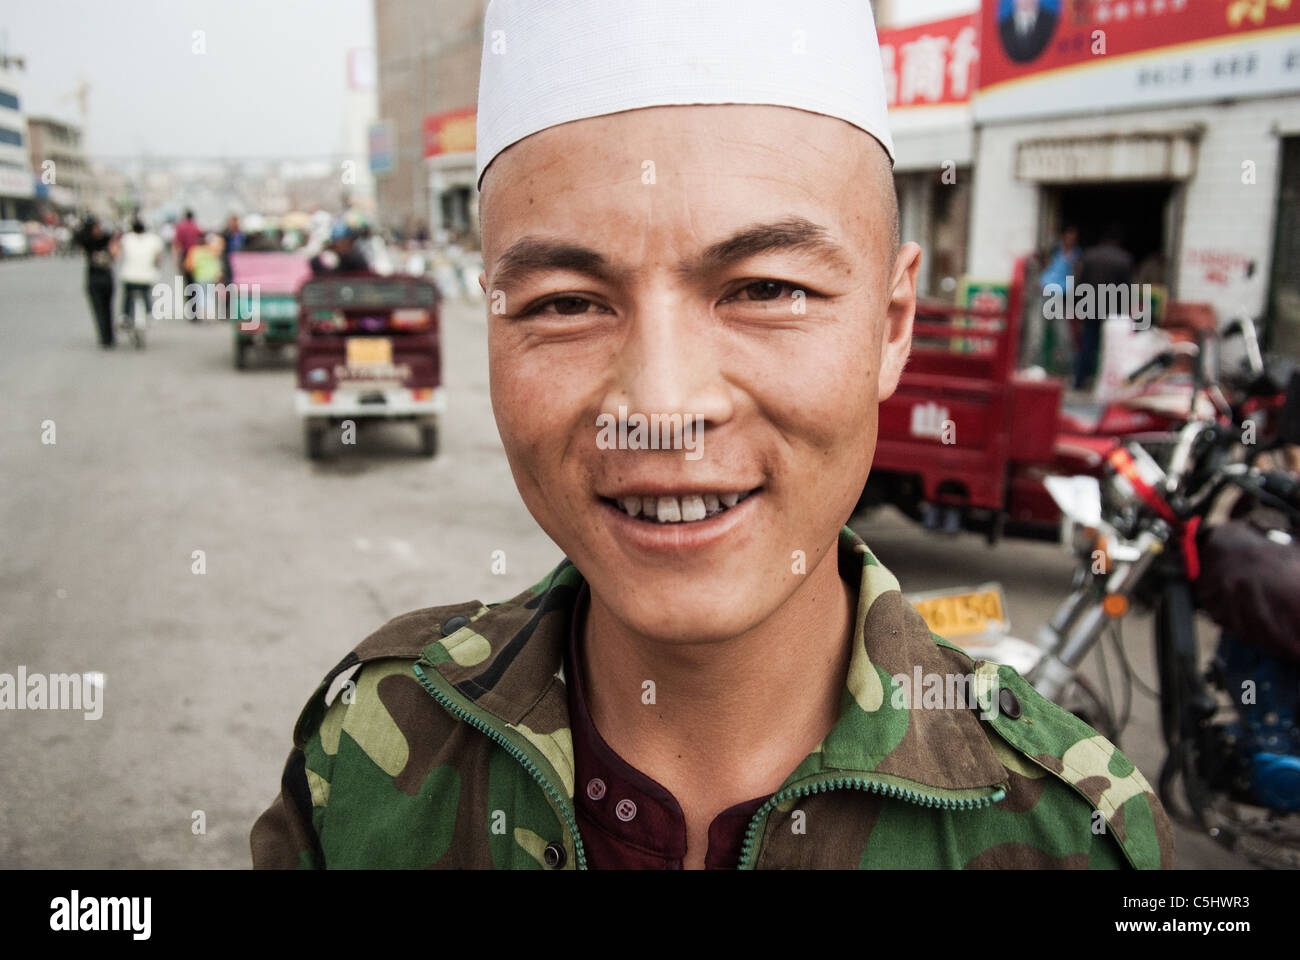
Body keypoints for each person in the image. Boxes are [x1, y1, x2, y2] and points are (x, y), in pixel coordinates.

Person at [252, 0, 1171, 871]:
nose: (661, 403)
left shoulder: (1077, 831)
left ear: (892, 326)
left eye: (767, 290)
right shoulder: (370, 758)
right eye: (566, 304)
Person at [1073, 223, 1135, 390]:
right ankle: (1103, 384)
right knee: (1109, 347)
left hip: (1090, 305)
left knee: (1087, 345)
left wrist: (1077, 306)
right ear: (1118, 240)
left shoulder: (1089, 255)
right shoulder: (1124, 258)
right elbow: (1127, 288)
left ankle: (1079, 382)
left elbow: (1080, 283)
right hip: (1113, 309)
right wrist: (1128, 309)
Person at [1037, 224, 1079, 373]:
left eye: (1073, 238)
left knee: (1063, 335)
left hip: (1062, 296)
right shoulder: (1053, 250)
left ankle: (1065, 369)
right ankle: (1038, 366)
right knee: (1038, 332)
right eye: (1068, 237)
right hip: (1045, 291)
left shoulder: (1076, 255)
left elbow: (1076, 276)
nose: (1070, 240)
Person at [75, 215, 119, 348]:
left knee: (104, 308)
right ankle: (106, 337)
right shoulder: (95, 239)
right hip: (98, 278)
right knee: (101, 309)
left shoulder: (93, 239)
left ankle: (108, 337)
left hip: (101, 278)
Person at [118, 218, 164, 334]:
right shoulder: (154, 239)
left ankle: (125, 316)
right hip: (147, 276)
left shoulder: (127, 238)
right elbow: (158, 259)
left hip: (129, 276)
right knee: (146, 295)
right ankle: (149, 314)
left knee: (128, 296)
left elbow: (118, 252)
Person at [172, 209, 202, 322]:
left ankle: (191, 311)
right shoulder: (197, 228)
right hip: (196, 257)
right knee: (196, 285)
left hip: (186, 257)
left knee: (188, 285)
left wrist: (178, 261)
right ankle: (196, 311)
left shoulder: (181, 228)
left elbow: (177, 245)